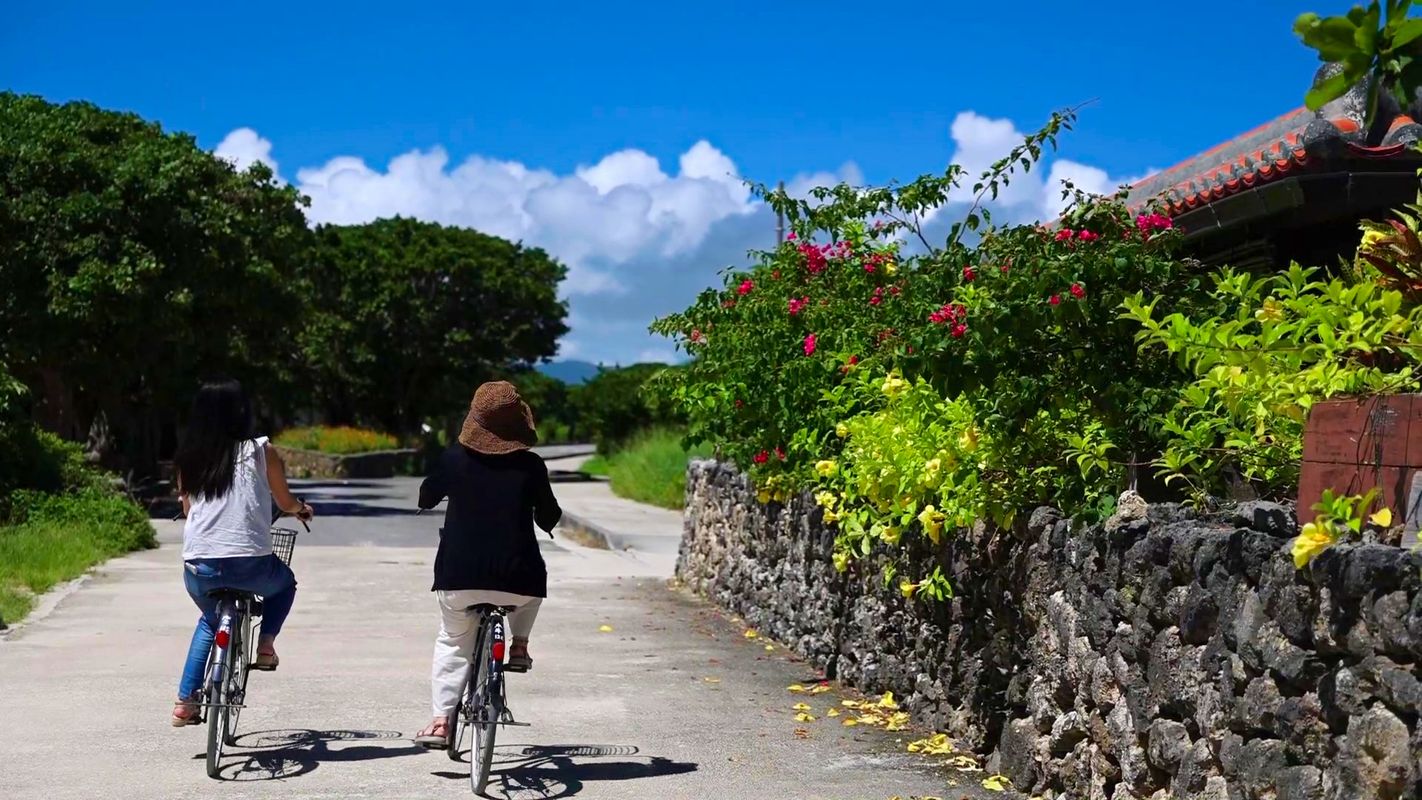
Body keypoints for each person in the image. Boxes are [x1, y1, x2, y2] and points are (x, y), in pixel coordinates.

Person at [414, 380, 561, 748]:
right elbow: (550, 514)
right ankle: (520, 644)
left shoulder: (453, 459)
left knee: (452, 641)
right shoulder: (531, 466)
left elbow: (426, 495)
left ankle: (439, 723)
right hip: (518, 577)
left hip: (459, 576)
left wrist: (435, 495)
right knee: (532, 590)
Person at [170, 379, 313, 727]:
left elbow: (188, 509)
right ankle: (265, 644)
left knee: (210, 619)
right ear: (243, 412)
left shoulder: (188, 457)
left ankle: (185, 702)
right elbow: (284, 501)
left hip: (199, 567)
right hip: (251, 563)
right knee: (285, 583)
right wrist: (300, 509)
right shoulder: (263, 451)